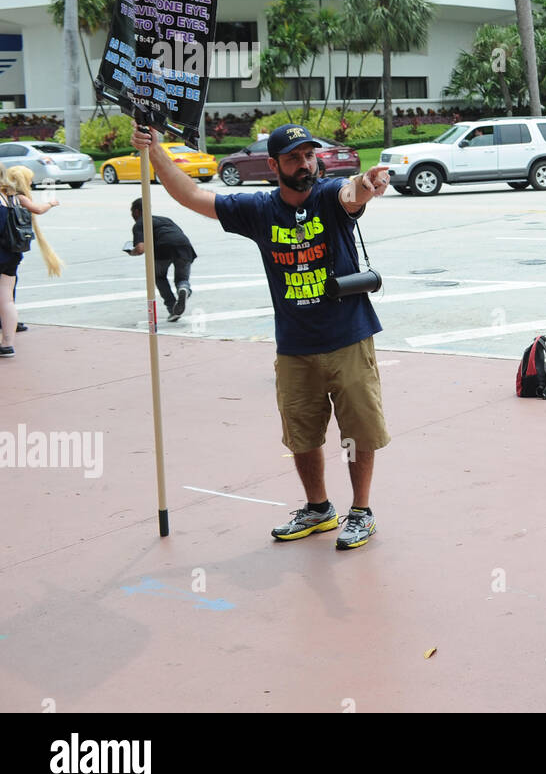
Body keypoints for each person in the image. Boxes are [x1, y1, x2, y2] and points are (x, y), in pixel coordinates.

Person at [131, 123, 393, 549]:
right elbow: (191, 196)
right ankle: (318, 508)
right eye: (294, 158)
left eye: (310, 155)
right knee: (301, 435)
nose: (305, 164)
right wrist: (156, 152)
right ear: (273, 165)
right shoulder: (259, 210)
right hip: (294, 346)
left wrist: (367, 183)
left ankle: (361, 511)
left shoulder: (329, 195)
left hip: (349, 337)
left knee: (358, 431)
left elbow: (352, 193)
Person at [0, 165, 64, 357]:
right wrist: (52, 203)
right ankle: (7, 344)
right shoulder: (10, 197)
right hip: (10, 254)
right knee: (7, 300)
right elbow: (37, 209)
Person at [126, 198, 198, 322]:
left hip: (163, 248)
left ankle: (172, 308)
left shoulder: (140, 223)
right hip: (184, 246)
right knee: (182, 279)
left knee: (159, 277)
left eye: (132, 212)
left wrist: (131, 252)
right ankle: (184, 289)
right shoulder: (165, 219)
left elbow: (141, 249)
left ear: (137, 211)